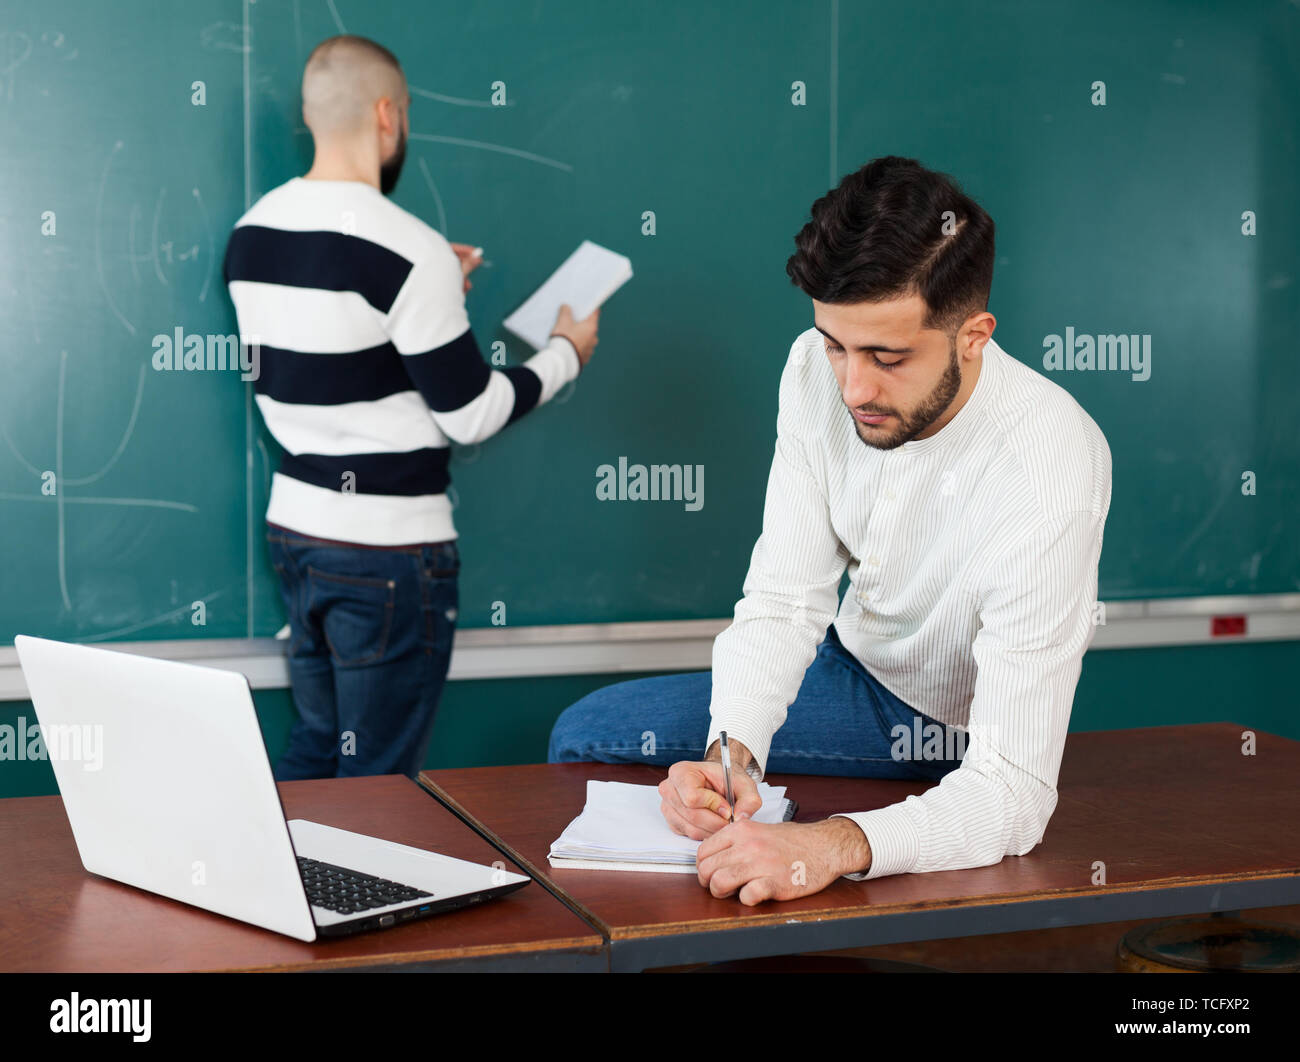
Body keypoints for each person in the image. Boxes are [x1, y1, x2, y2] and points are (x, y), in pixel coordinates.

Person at [549, 156, 1111, 904]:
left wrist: (830, 844)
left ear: (973, 336)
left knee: (587, 736)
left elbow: (1013, 790)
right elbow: (785, 599)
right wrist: (729, 759)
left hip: (944, 724)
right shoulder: (813, 372)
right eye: (836, 344)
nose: (853, 387)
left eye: (888, 356)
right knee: (589, 728)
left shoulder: (1052, 465)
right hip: (849, 662)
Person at [224, 35, 599, 779]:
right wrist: (565, 354)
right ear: (388, 115)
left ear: (312, 115)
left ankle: (270, 863)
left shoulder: (252, 233)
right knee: (379, 784)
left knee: (318, 746)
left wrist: (432, 290)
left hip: (296, 534)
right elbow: (471, 413)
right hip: (388, 553)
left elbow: (339, 328)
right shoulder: (409, 249)